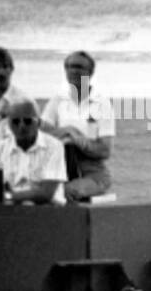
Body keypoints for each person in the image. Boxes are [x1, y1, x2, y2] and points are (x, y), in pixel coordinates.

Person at [41, 51, 115, 202]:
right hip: (59, 167)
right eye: (68, 67)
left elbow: (104, 151)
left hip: (93, 172)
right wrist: (67, 132)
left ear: (91, 72)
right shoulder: (58, 101)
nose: (73, 70)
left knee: (64, 192)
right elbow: (41, 134)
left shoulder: (102, 104)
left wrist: (77, 139)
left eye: (79, 67)